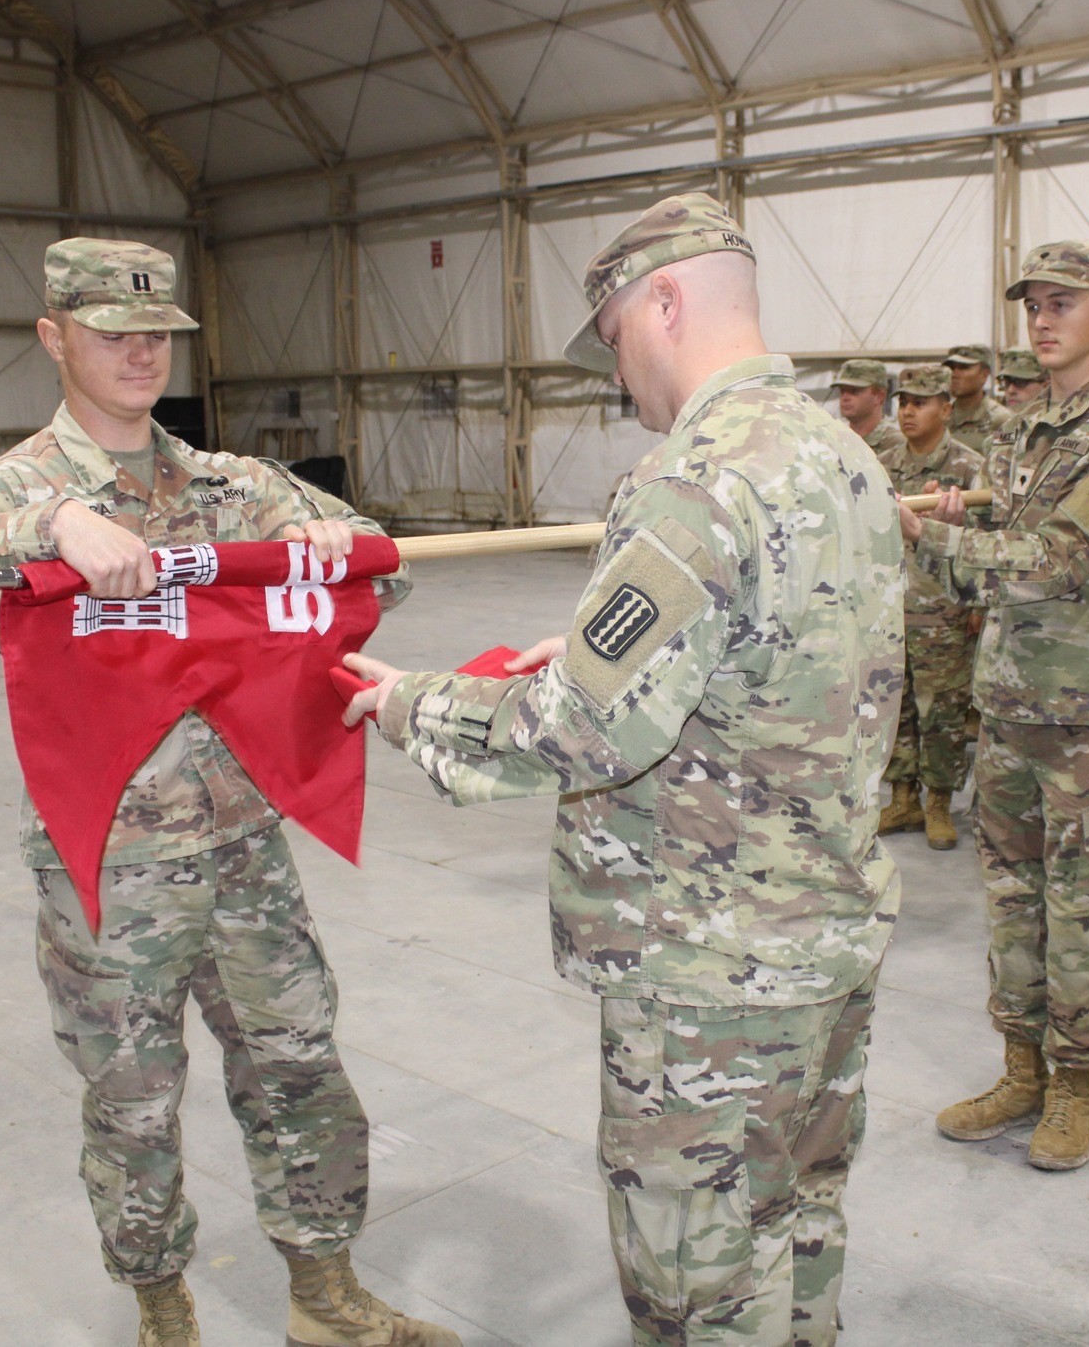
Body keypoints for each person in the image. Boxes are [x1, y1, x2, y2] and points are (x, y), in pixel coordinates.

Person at [343, 192, 904, 1347]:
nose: (617, 375)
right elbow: (784, 657)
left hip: (709, 973)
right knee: (796, 1226)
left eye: (612, 339)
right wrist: (611, 660)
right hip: (824, 938)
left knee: (698, 1284)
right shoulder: (839, 454)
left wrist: (411, 706)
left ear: (663, 300)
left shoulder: (692, 476)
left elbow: (580, 730)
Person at [0, 240, 456, 1347]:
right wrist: (46, 529)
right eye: (110, 331)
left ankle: (323, 1294)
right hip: (109, 859)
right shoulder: (18, 488)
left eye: (157, 332)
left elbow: (382, 568)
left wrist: (339, 541)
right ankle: (161, 1307)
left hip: (248, 842)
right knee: (132, 1098)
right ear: (53, 338)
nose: (140, 350)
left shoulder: (233, 486)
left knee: (298, 1065)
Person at [898, 240, 1089, 1173]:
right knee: (1012, 907)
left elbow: (1058, 561)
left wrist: (932, 542)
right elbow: (1001, 543)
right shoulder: (1024, 432)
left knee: (1084, 915)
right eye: (1033, 303)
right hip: (1012, 708)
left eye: (1064, 301)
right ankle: (1021, 1071)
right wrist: (952, 522)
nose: (1044, 317)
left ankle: (1076, 1087)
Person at [877, 363, 984, 850]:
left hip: (943, 607)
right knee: (894, 709)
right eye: (903, 401)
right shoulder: (880, 462)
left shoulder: (968, 468)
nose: (909, 411)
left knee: (942, 711)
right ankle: (903, 798)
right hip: (889, 610)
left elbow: (984, 542)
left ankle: (939, 801)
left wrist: (977, 605)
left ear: (946, 407)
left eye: (921, 402)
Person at [943, 343, 1013, 453]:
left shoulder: (1001, 420)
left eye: (964, 367)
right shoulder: (941, 417)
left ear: (984, 375)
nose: (954, 374)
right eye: (951, 368)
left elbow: (1005, 463)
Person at [829, 357, 899, 456]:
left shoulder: (895, 444)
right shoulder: (834, 440)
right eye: (842, 391)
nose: (845, 397)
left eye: (854, 391)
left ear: (879, 396)